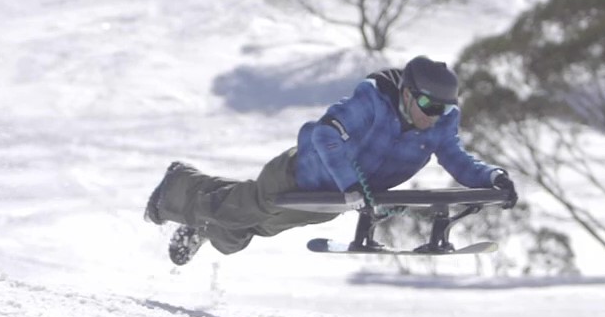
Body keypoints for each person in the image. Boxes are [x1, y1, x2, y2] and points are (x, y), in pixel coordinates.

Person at [143, 55, 518, 264]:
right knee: (240, 212)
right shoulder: (372, 101)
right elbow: (322, 133)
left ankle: (200, 226)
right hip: (296, 175)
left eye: (442, 107)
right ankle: (173, 193)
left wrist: (493, 178)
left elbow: (455, 157)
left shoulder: (441, 122)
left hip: (332, 201)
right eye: (425, 104)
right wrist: (351, 184)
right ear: (406, 93)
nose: (432, 114)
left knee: (252, 229)